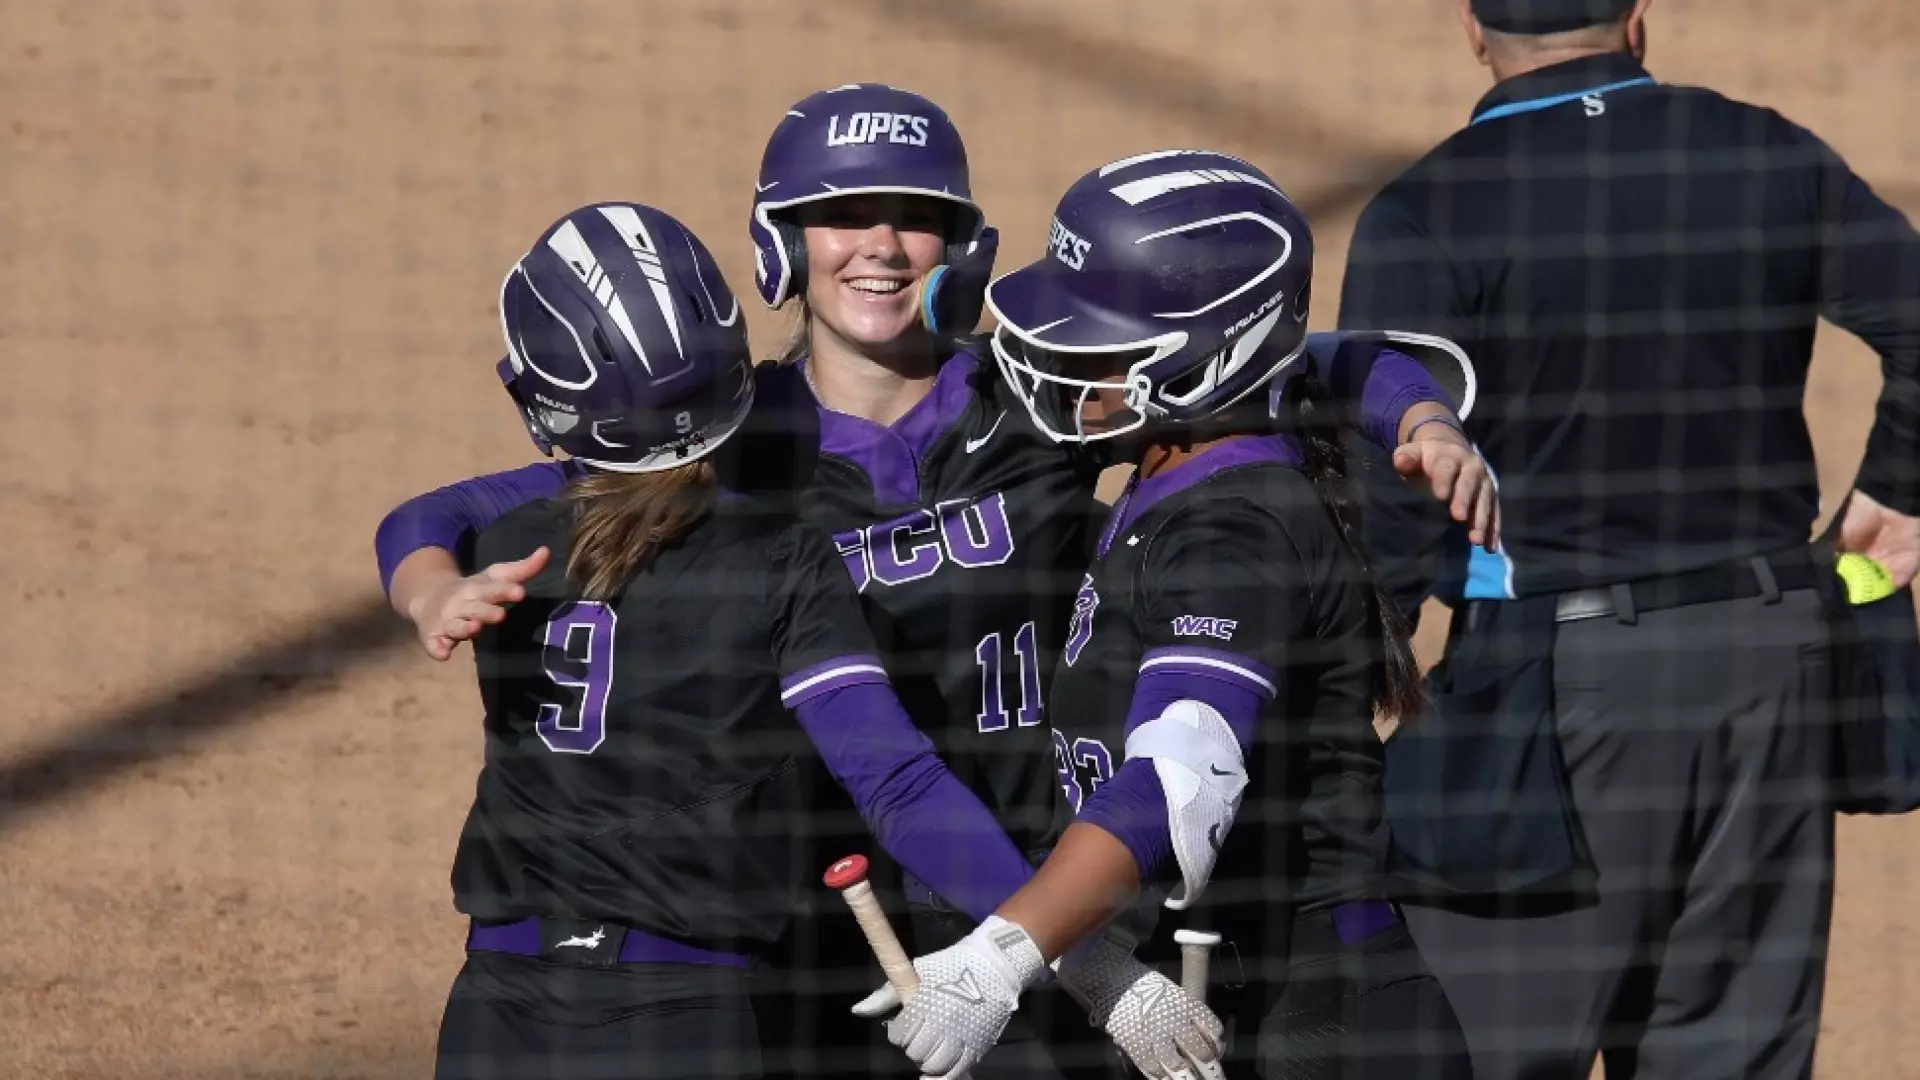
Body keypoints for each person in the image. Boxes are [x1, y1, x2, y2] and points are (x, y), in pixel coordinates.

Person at [378, 86, 1497, 1080]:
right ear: (783, 240)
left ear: (964, 243)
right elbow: (457, 511)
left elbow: (1278, 351)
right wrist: (427, 585)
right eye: (842, 214)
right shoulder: (730, 436)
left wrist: (1420, 416)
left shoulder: (1041, 392)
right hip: (840, 916)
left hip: (1053, 893)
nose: (881, 245)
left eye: (916, 215)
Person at [1336, 1, 1920, 1076]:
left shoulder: (1430, 206)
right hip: (1770, 666)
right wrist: (1898, 489)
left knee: (1481, 1055)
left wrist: (1352, 679)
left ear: (1473, 28)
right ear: (1638, 18)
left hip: (1554, 699)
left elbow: (1398, 479)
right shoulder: (1766, 149)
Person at [863, 151, 1475, 1080]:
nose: (1058, 363)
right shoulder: (1182, 459)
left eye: (1098, 342)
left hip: (1322, 1020)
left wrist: (1000, 957)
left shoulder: (1233, 531)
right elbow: (1324, 355)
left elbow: (1185, 776)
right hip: (1247, 993)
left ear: (1202, 367)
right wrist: (1420, 412)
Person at [428, 200, 1048, 1080]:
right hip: (685, 1021)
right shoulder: (778, 562)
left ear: (546, 404)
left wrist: (426, 589)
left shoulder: (504, 549)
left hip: (497, 1016)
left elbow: (420, 519)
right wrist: (1061, 943)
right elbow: (899, 784)